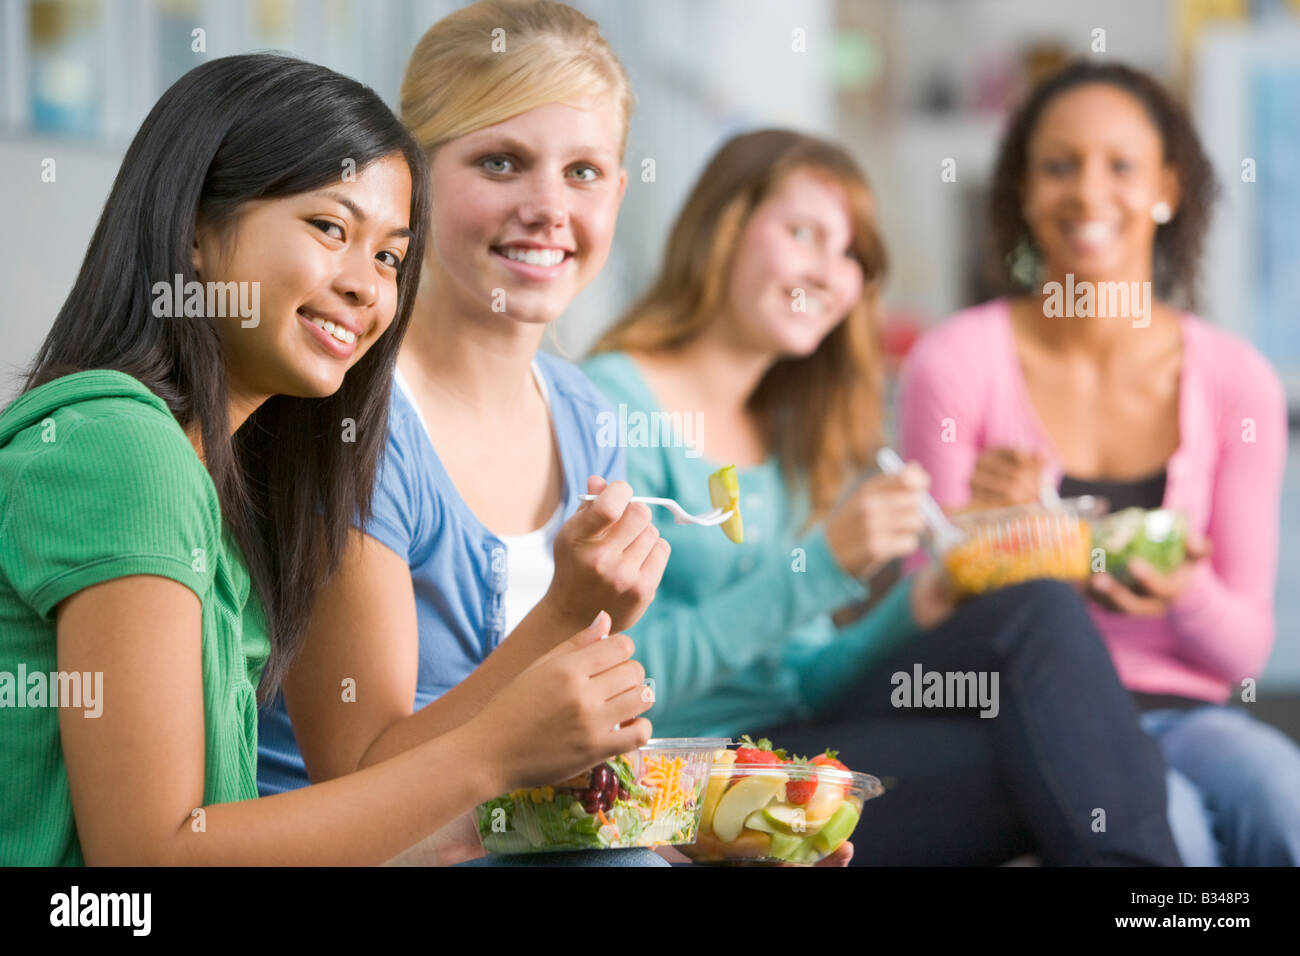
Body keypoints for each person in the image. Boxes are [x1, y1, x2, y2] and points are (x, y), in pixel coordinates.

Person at [0, 52, 651, 866]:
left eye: (388, 256)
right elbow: (150, 860)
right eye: (331, 228)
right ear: (195, 234)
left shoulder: (208, 473)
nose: (366, 287)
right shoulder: (124, 452)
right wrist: (491, 754)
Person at [582, 128, 1185, 866]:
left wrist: (927, 596)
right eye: (804, 233)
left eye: (851, 256)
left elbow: (804, 681)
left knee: (1042, 620)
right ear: (724, 227)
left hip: (788, 736)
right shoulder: (614, 405)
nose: (830, 274)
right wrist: (826, 563)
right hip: (688, 774)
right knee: (1075, 766)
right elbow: (613, 681)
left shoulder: (785, 438)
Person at [254, 0, 674, 866]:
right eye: (502, 161)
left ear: (621, 191)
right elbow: (359, 784)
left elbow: (573, 760)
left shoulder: (586, 413)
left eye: (585, 172)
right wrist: (563, 614)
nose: (549, 207)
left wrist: (701, 836)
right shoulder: (353, 424)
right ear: (411, 177)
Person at [899, 60, 1298, 866]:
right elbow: (920, 612)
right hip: (1033, 717)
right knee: (1174, 835)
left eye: (1120, 165)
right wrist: (987, 538)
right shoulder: (955, 364)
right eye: (1058, 165)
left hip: (1189, 713)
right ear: (1020, 191)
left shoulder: (1236, 381)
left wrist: (1182, 596)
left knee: (1281, 795)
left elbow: (1245, 651)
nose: (1088, 192)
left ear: (1168, 188)